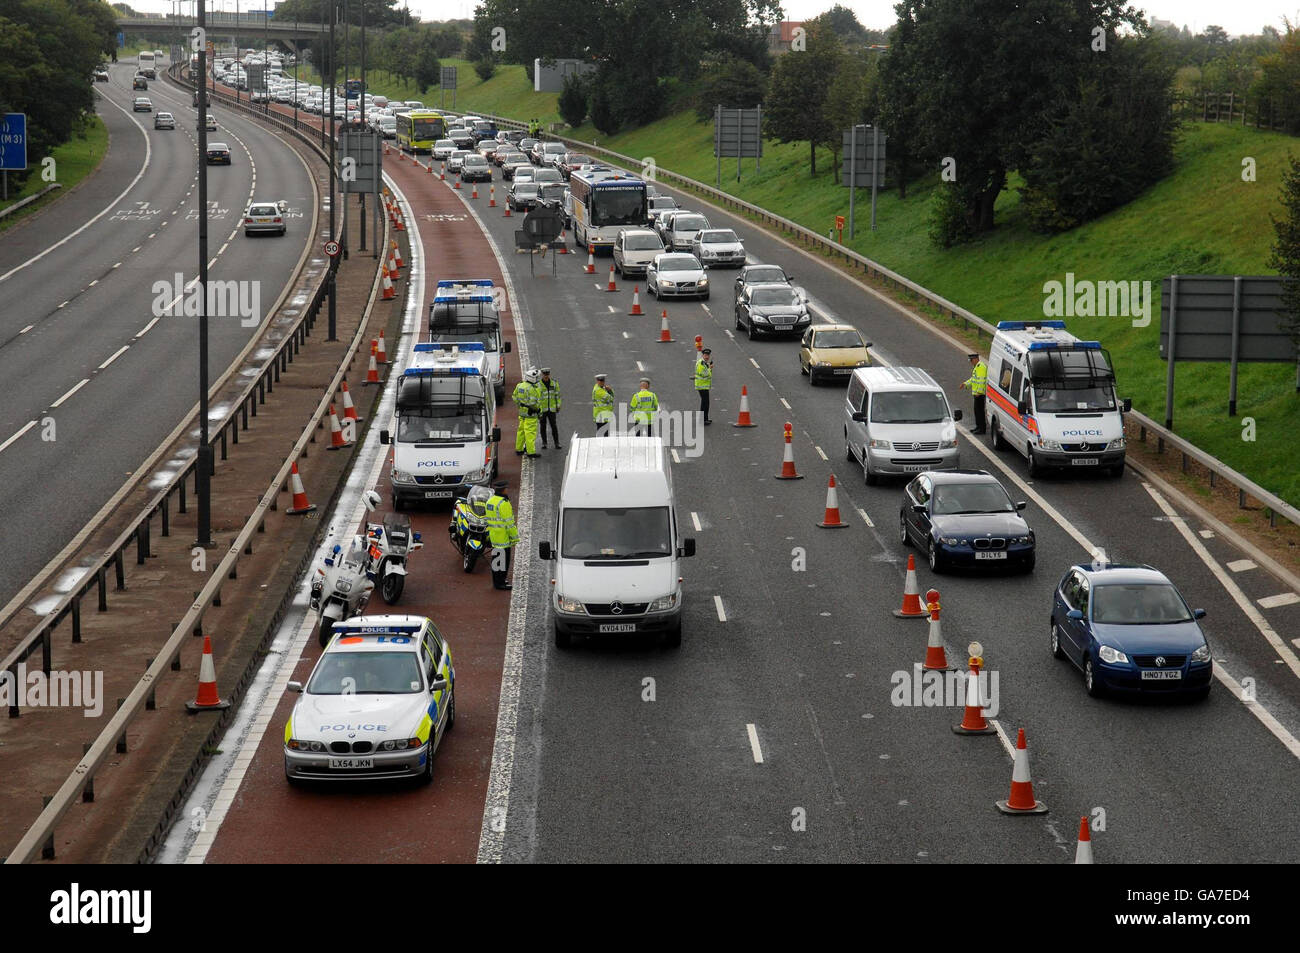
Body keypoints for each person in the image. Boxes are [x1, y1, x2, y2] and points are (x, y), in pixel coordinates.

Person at [483, 480, 519, 590]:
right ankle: (501, 583)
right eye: (506, 488)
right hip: (503, 538)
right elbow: (509, 523)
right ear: (504, 490)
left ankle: (497, 582)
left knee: (496, 562)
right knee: (503, 563)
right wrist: (514, 538)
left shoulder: (490, 501)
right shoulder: (504, 503)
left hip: (494, 536)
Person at [512, 367, 541, 457]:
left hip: (522, 413)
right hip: (531, 415)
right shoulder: (532, 389)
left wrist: (520, 405)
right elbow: (534, 404)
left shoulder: (520, 385)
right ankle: (531, 452)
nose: (537, 379)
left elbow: (514, 397)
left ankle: (519, 449)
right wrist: (538, 411)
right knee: (530, 433)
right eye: (536, 378)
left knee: (521, 431)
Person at [959, 352, 988, 433]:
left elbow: (982, 380)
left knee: (980, 412)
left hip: (979, 394)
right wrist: (965, 384)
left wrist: (979, 392)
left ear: (976, 359)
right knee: (977, 411)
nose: (971, 362)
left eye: (971, 360)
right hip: (977, 394)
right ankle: (978, 427)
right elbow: (973, 379)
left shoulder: (981, 367)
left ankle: (981, 429)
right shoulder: (977, 367)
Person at [536, 367, 563, 449]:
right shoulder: (538, 385)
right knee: (542, 426)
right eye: (544, 374)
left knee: (554, 426)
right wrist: (538, 409)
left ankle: (557, 443)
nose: (546, 376)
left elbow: (557, 395)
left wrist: (558, 405)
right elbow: (537, 398)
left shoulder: (554, 383)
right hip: (542, 409)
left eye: (547, 374)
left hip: (552, 409)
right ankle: (544, 443)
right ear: (542, 375)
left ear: (549, 374)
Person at [693, 348, 713, 425]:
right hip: (702, 386)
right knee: (705, 403)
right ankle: (703, 420)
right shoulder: (701, 363)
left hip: (703, 386)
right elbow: (706, 374)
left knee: (705, 403)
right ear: (702, 355)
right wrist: (710, 369)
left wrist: (708, 367)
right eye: (705, 355)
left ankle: (705, 419)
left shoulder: (704, 363)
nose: (707, 357)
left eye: (708, 355)